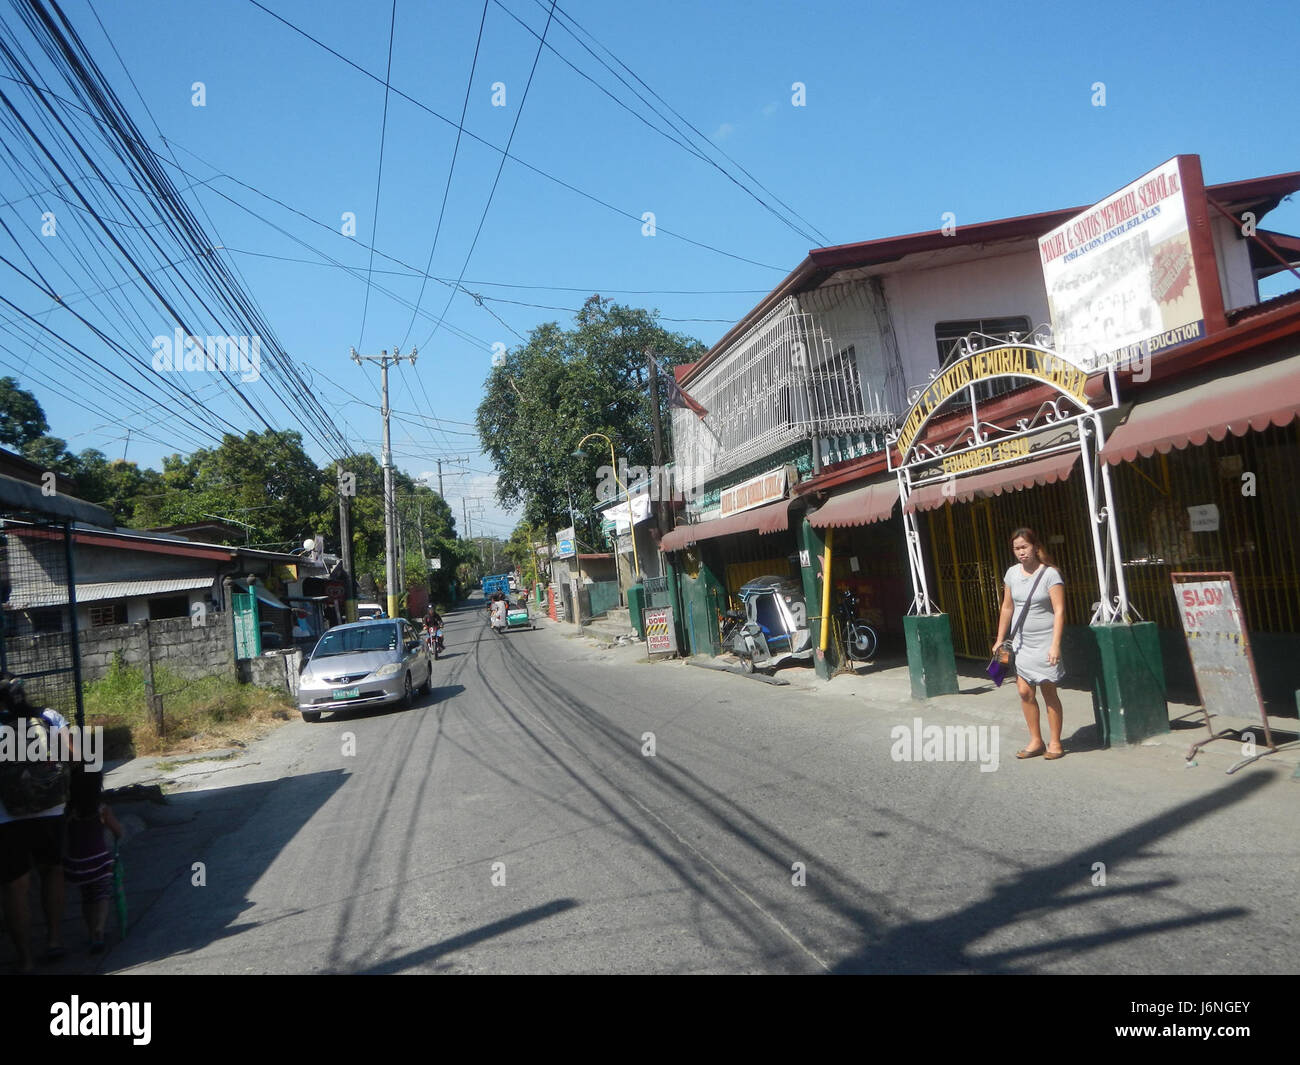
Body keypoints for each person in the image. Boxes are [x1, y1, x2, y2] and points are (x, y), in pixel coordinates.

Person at [0, 674, 68, 970]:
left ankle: (26, 959)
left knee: (16, 885)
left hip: (6, 815)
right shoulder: (48, 716)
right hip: (50, 807)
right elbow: (75, 756)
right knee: (52, 870)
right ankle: (54, 940)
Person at [993, 527, 1067, 760]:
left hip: (1045, 642)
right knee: (1024, 692)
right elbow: (1007, 607)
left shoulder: (1050, 574)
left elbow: (1059, 611)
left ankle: (1055, 742)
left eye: (1024, 547)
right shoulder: (1012, 574)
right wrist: (999, 639)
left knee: (1048, 691)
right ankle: (1036, 741)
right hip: (1021, 643)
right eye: (1016, 548)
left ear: (1035, 547)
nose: (1021, 552)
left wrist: (1055, 645)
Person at [62, 765, 123, 954]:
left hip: (78, 864)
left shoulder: (69, 812)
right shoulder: (101, 809)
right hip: (99, 861)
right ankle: (100, 927)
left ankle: (90, 932)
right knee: (102, 894)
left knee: (87, 898)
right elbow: (118, 831)